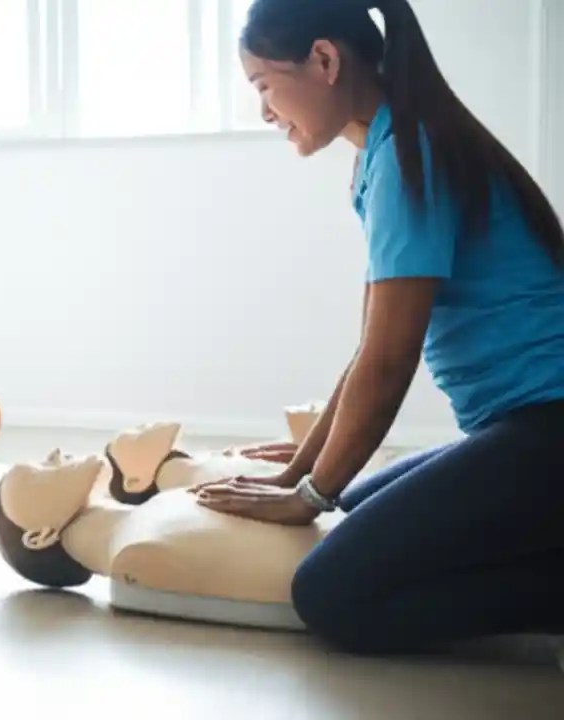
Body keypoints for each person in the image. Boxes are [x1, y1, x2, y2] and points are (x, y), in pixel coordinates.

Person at [194, 0, 564, 654]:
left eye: (263, 86)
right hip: (525, 431)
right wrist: (300, 476)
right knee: (351, 505)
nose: (264, 112)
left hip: (548, 431)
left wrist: (308, 491)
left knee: (332, 593)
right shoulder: (391, 149)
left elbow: (390, 365)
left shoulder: (408, 153)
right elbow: (371, 349)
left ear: (325, 61)